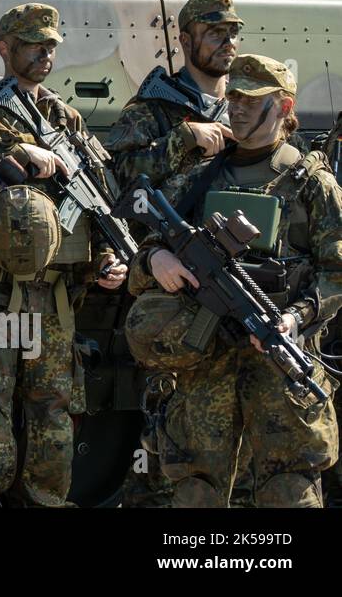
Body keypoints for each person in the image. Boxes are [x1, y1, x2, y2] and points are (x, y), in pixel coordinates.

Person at [0, 3, 127, 506]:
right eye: (34, 44)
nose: (45, 53)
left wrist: (107, 255)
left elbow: (99, 199)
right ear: (5, 49)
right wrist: (12, 162)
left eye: (52, 45)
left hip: (56, 299)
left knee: (53, 424)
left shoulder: (67, 119)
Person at [130, 54, 341, 507]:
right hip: (205, 362)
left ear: (283, 109)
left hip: (279, 362)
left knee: (290, 487)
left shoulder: (311, 183)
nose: (238, 108)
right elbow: (142, 245)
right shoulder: (199, 177)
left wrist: (296, 317)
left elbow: (336, 273)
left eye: (253, 99)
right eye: (236, 97)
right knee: (195, 487)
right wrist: (157, 260)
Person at [102, 0, 241, 506]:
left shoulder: (246, 103)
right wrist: (183, 140)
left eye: (231, 32)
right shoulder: (153, 109)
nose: (227, 42)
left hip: (238, 285)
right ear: (184, 40)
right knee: (168, 432)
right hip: (173, 289)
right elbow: (116, 181)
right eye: (214, 33)